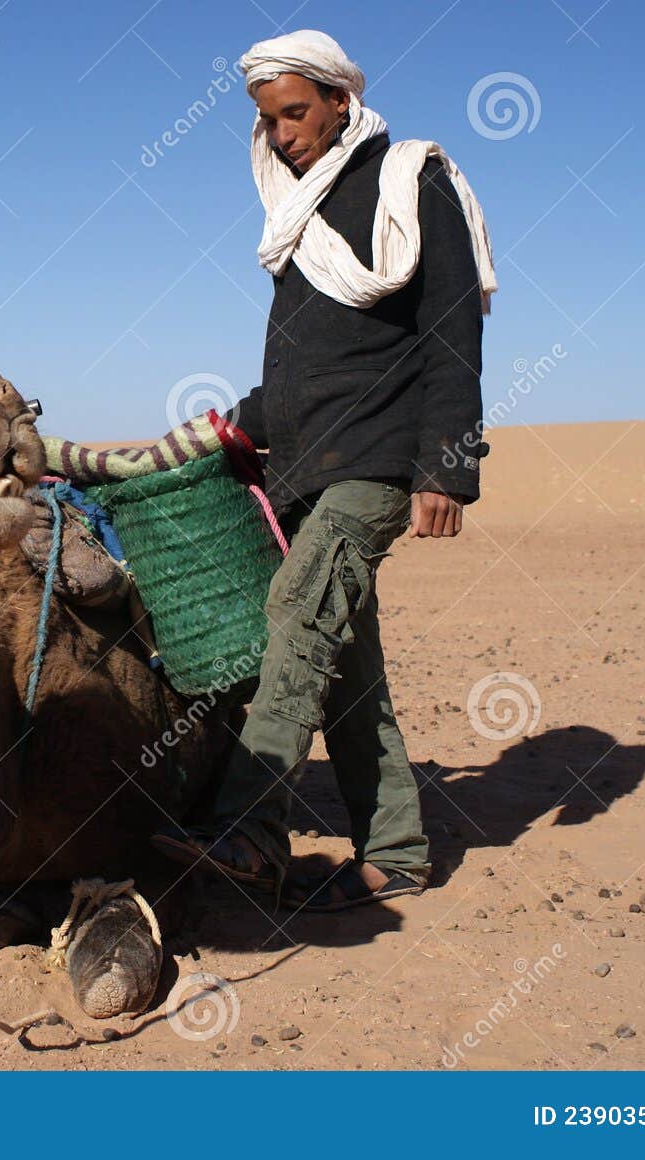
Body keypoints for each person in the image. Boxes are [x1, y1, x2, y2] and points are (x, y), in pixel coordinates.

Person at [152, 29, 496, 911]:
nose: (281, 133)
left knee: (297, 620)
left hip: (379, 460)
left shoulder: (409, 182)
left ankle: (251, 829)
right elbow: (310, 370)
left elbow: (454, 328)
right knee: (344, 667)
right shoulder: (297, 214)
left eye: (296, 112)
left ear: (342, 100)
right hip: (307, 462)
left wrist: (447, 467)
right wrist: (233, 428)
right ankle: (397, 850)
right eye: (268, 120)